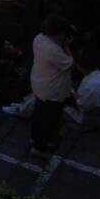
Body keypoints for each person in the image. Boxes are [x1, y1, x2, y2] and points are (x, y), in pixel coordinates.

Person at [28, 15, 74, 155]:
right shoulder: (53, 50)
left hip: (39, 83)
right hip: (52, 91)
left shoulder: (39, 39)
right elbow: (70, 64)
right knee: (48, 120)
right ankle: (40, 147)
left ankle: (34, 139)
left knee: (38, 114)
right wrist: (66, 47)